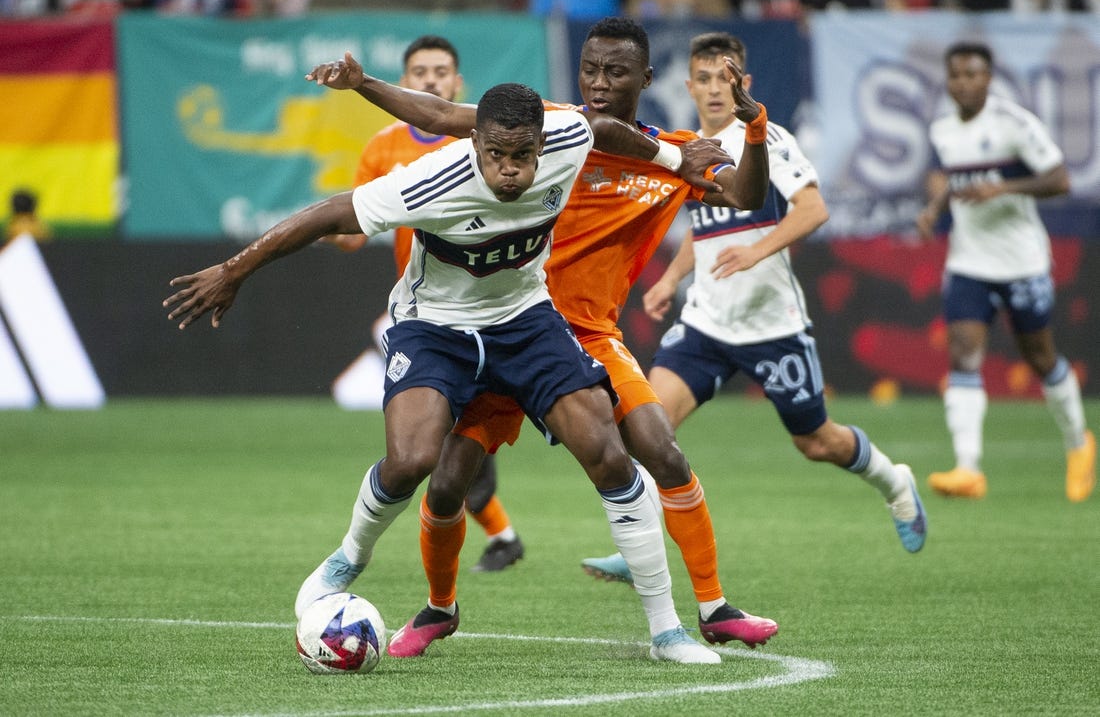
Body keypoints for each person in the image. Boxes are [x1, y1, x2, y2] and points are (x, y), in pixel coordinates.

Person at [167, 81, 741, 664]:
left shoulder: (569, 135)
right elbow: (328, 214)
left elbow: (600, 125)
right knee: (414, 461)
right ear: (475, 141)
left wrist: (674, 158)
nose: (510, 170)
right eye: (496, 154)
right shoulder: (434, 180)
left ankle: (667, 632)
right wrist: (234, 271)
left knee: (610, 455)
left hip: (524, 318)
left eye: (522, 156)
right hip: (434, 327)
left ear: (544, 145)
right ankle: (349, 557)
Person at [305, 16, 779, 659]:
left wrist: (753, 130)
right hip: (501, 321)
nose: (599, 83)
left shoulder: (665, 153)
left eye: (615, 72)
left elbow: (744, 195)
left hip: (584, 331)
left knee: (657, 448)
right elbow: (445, 116)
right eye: (590, 70)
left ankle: (712, 608)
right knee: (447, 482)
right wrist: (364, 84)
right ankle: (439, 608)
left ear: (644, 78)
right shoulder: (545, 130)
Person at [579, 32, 928, 586]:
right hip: (705, 322)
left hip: (772, 324)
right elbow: (705, 224)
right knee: (645, 432)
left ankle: (895, 482)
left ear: (744, 85)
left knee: (816, 441)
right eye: (704, 78)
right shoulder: (686, 147)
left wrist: (756, 251)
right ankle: (644, 549)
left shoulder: (768, 139)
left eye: (727, 78)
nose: (715, 89)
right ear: (686, 85)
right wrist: (672, 277)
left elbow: (813, 210)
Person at [328, 35, 524, 574]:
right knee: (434, 443)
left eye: (441, 71)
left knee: (457, 440)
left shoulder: (491, 145)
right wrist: (322, 231)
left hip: (495, 308)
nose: (431, 80)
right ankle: (500, 537)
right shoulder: (383, 148)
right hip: (425, 315)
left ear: (458, 83)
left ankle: (497, 537)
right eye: (419, 72)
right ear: (404, 81)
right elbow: (352, 232)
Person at [915, 41, 1094, 502]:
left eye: (973, 74)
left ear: (988, 78)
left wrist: (1005, 188)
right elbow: (946, 177)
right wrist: (934, 207)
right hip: (969, 260)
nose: (964, 83)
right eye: (955, 75)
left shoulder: (1014, 124)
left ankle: (1078, 442)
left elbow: (1059, 179)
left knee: (1039, 357)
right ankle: (968, 469)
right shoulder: (943, 131)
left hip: (1022, 262)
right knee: (963, 354)